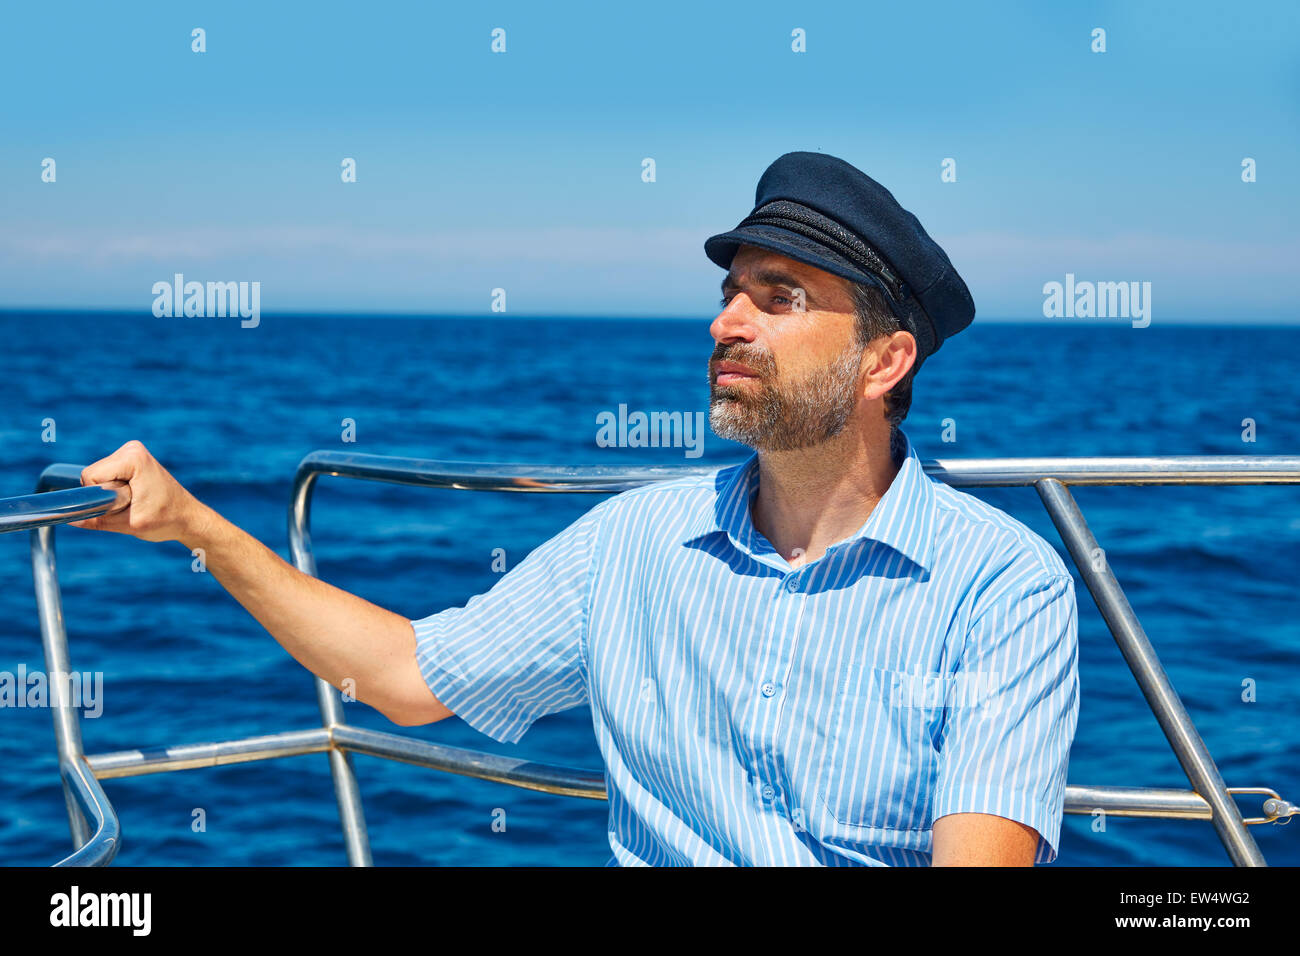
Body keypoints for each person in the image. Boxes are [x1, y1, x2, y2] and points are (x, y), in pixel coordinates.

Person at [71, 151, 1078, 866]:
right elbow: (400, 677)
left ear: (883, 360)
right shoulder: (637, 543)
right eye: (731, 291)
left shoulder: (1000, 582)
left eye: (779, 297)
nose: (728, 320)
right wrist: (196, 525)